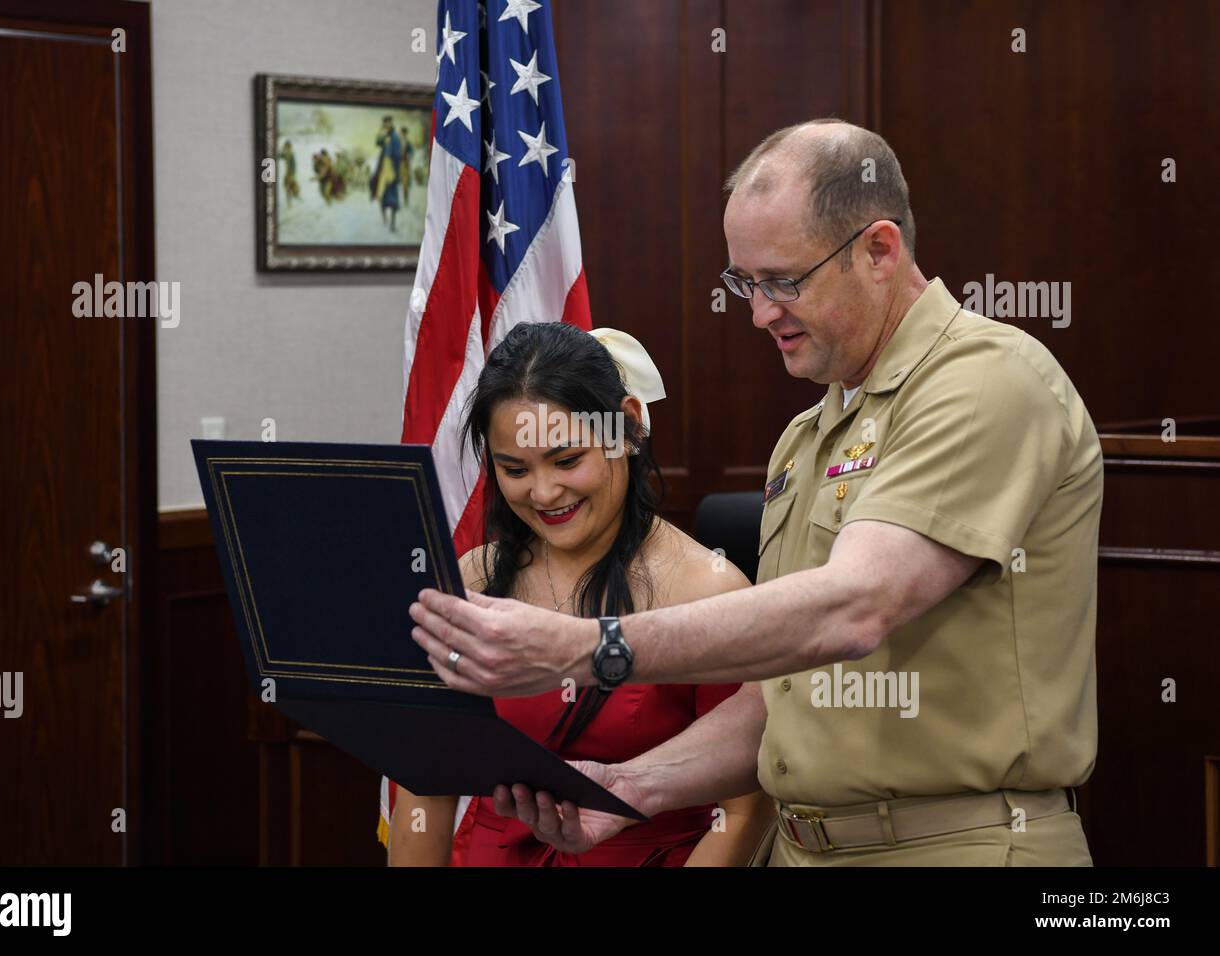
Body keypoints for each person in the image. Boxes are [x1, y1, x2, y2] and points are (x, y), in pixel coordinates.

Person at [408, 119, 1103, 866]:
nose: (759, 311)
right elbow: (785, 694)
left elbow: (857, 605)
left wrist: (586, 647)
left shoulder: (985, 379)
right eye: (745, 282)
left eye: (783, 281)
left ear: (878, 250)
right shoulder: (808, 435)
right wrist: (627, 790)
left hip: (953, 845)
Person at [388, 321, 775, 866]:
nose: (543, 493)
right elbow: (425, 787)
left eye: (568, 461)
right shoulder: (471, 580)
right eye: (514, 469)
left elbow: (742, 812)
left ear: (629, 429)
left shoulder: (707, 586)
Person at [371, 116, 402, 232]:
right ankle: (385, 220)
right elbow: (377, 143)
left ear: (391, 123)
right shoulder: (385, 136)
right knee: (381, 195)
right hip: (382, 169)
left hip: (392, 170)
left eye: (388, 123)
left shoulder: (395, 137)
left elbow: (398, 155)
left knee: (393, 199)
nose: (386, 125)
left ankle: (393, 224)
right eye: (384, 123)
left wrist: (396, 172)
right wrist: (381, 132)